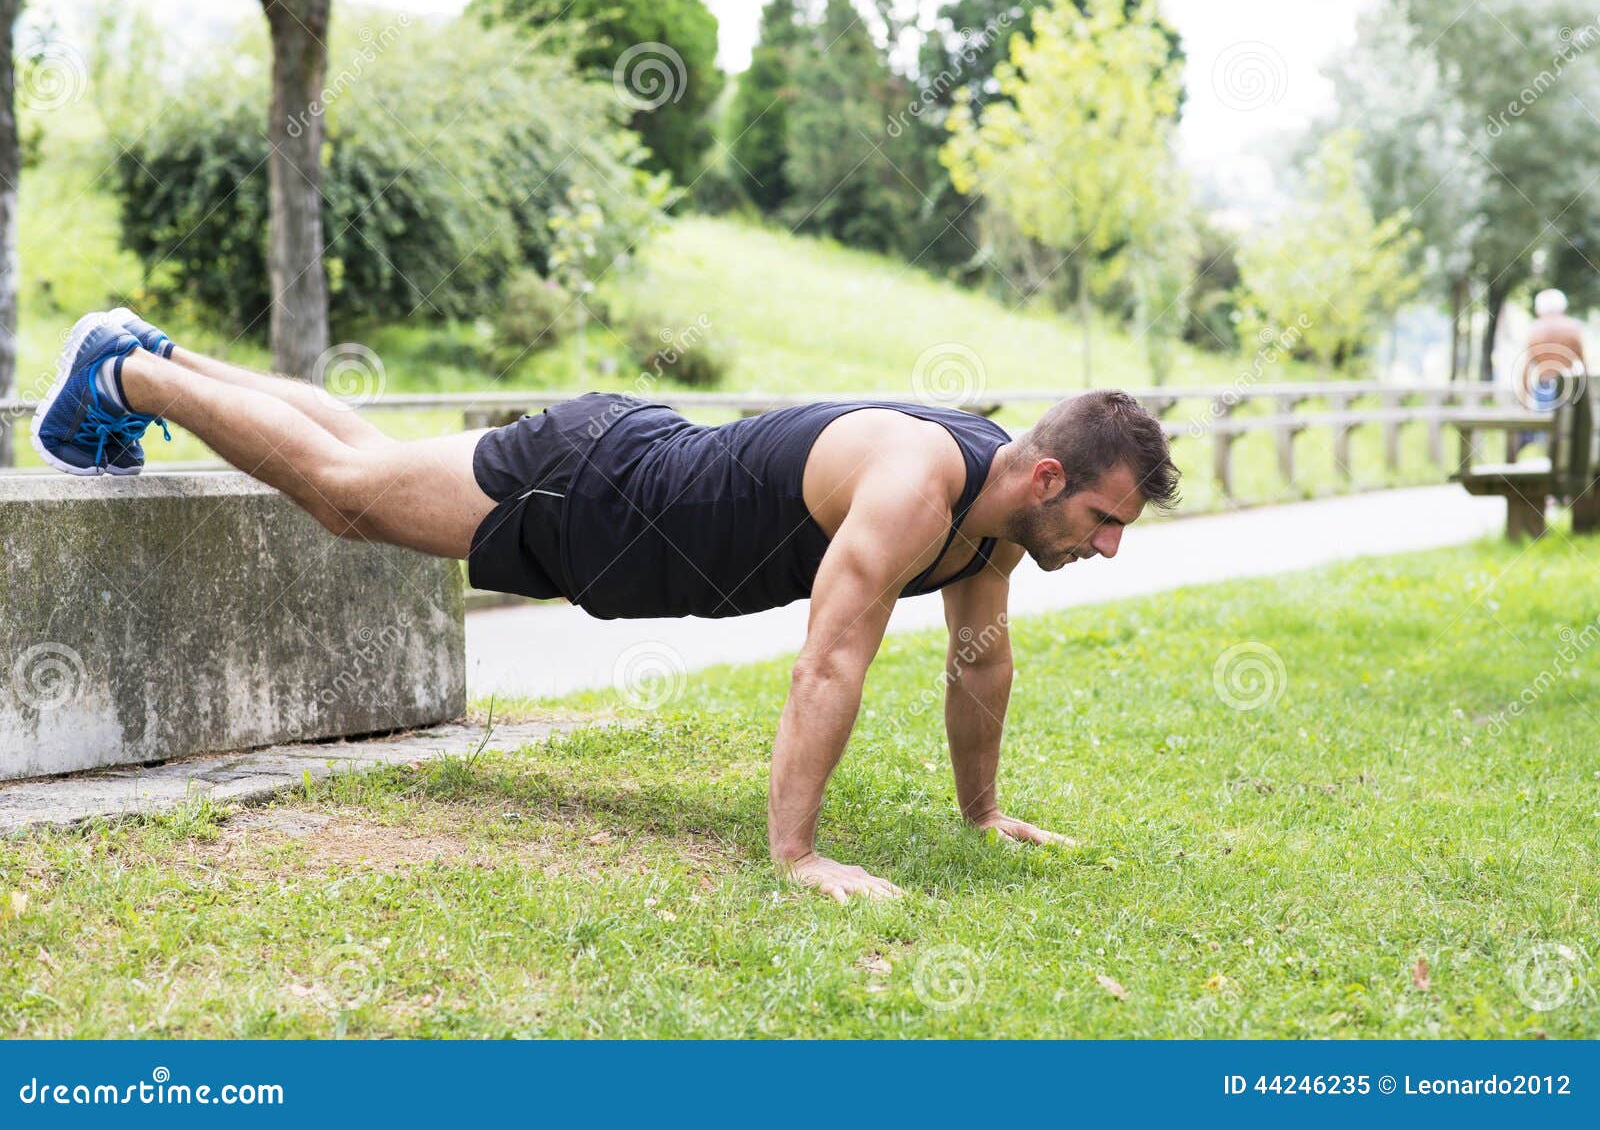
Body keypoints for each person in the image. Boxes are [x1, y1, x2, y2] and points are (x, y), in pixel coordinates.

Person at [33, 309, 1180, 901]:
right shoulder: (915, 484)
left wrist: (979, 817)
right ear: (1046, 479)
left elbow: (979, 664)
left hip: (619, 487)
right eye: (1104, 519)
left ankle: (149, 354)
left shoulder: (989, 529)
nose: (1110, 547)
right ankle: (125, 379)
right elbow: (830, 662)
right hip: (599, 494)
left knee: (372, 464)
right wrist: (796, 855)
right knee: (349, 502)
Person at [1520, 288, 1585, 409]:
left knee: (1546, 426)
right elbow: (1583, 363)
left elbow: (1526, 367)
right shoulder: (1573, 328)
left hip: (1545, 388)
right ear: (1563, 306)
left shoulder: (1535, 330)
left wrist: (1523, 401)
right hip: (1569, 387)